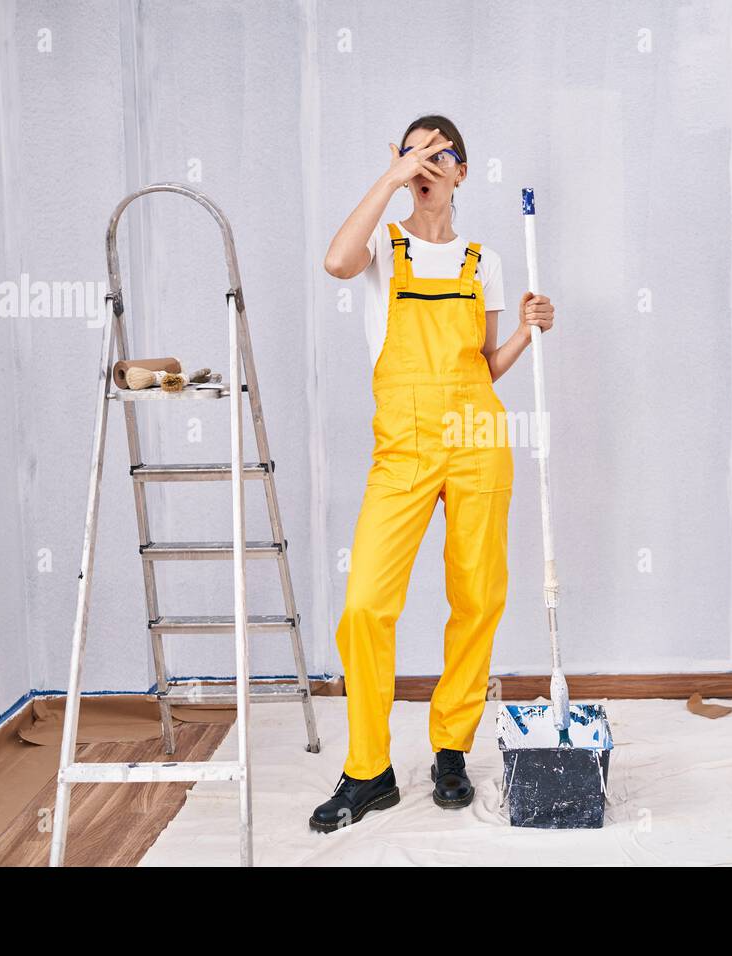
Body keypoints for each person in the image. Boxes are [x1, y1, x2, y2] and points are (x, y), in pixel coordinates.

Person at [311, 115, 554, 831]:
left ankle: (452, 746)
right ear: (402, 162)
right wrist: (387, 180)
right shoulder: (384, 246)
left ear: (461, 171)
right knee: (364, 606)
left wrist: (526, 331)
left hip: (478, 436)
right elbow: (334, 263)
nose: (426, 161)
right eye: (413, 151)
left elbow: (484, 366)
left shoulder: (486, 260)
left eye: (438, 152)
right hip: (405, 446)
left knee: (478, 597)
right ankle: (368, 768)